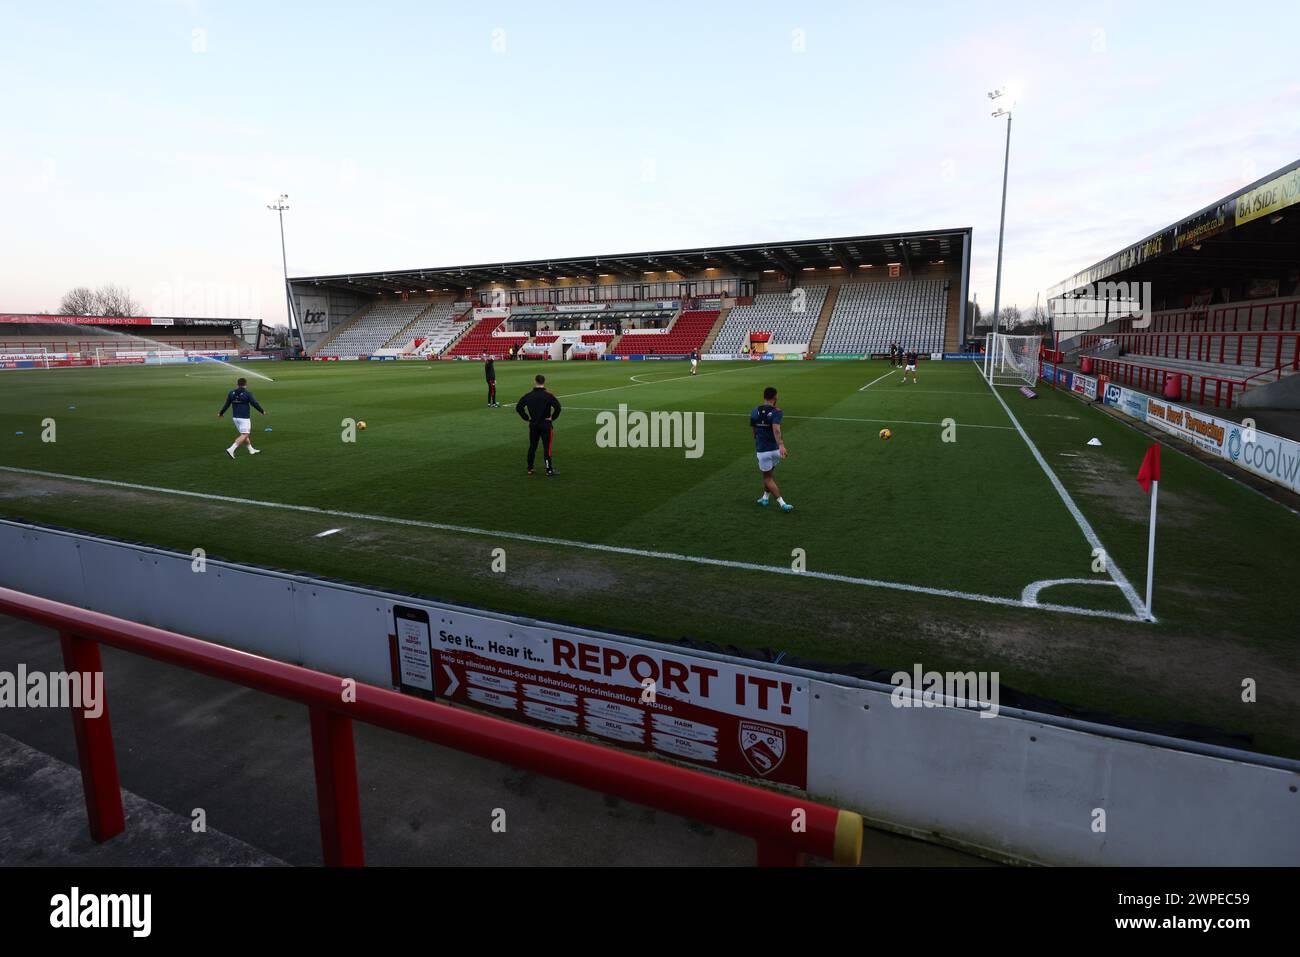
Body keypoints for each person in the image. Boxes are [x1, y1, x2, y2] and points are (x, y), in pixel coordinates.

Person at [750, 386, 792, 511]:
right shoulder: (777, 411)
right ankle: (765, 498)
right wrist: (781, 445)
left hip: (762, 450)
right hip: (775, 450)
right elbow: (776, 429)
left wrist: (757, 438)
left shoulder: (754, 411)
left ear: (764, 397)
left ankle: (782, 503)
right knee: (769, 475)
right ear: (775, 397)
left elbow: (753, 430)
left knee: (767, 478)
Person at [516, 373, 561, 476]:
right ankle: (549, 470)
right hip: (545, 424)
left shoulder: (528, 395)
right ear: (544, 382)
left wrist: (527, 418)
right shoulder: (549, 395)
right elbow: (558, 408)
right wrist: (552, 418)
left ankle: (530, 468)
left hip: (533, 424)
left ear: (535, 381)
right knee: (547, 447)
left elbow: (519, 408)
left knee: (532, 446)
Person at [217, 377, 266, 458]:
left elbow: (227, 404)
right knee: (245, 434)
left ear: (237, 384)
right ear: (246, 384)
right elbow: (254, 403)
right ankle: (231, 449)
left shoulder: (231, 393)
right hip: (244, 418)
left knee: (244, 434)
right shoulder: (248, 394)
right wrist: (262, 411)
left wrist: (221, 413)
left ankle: (251, 450)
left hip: (235, 418)